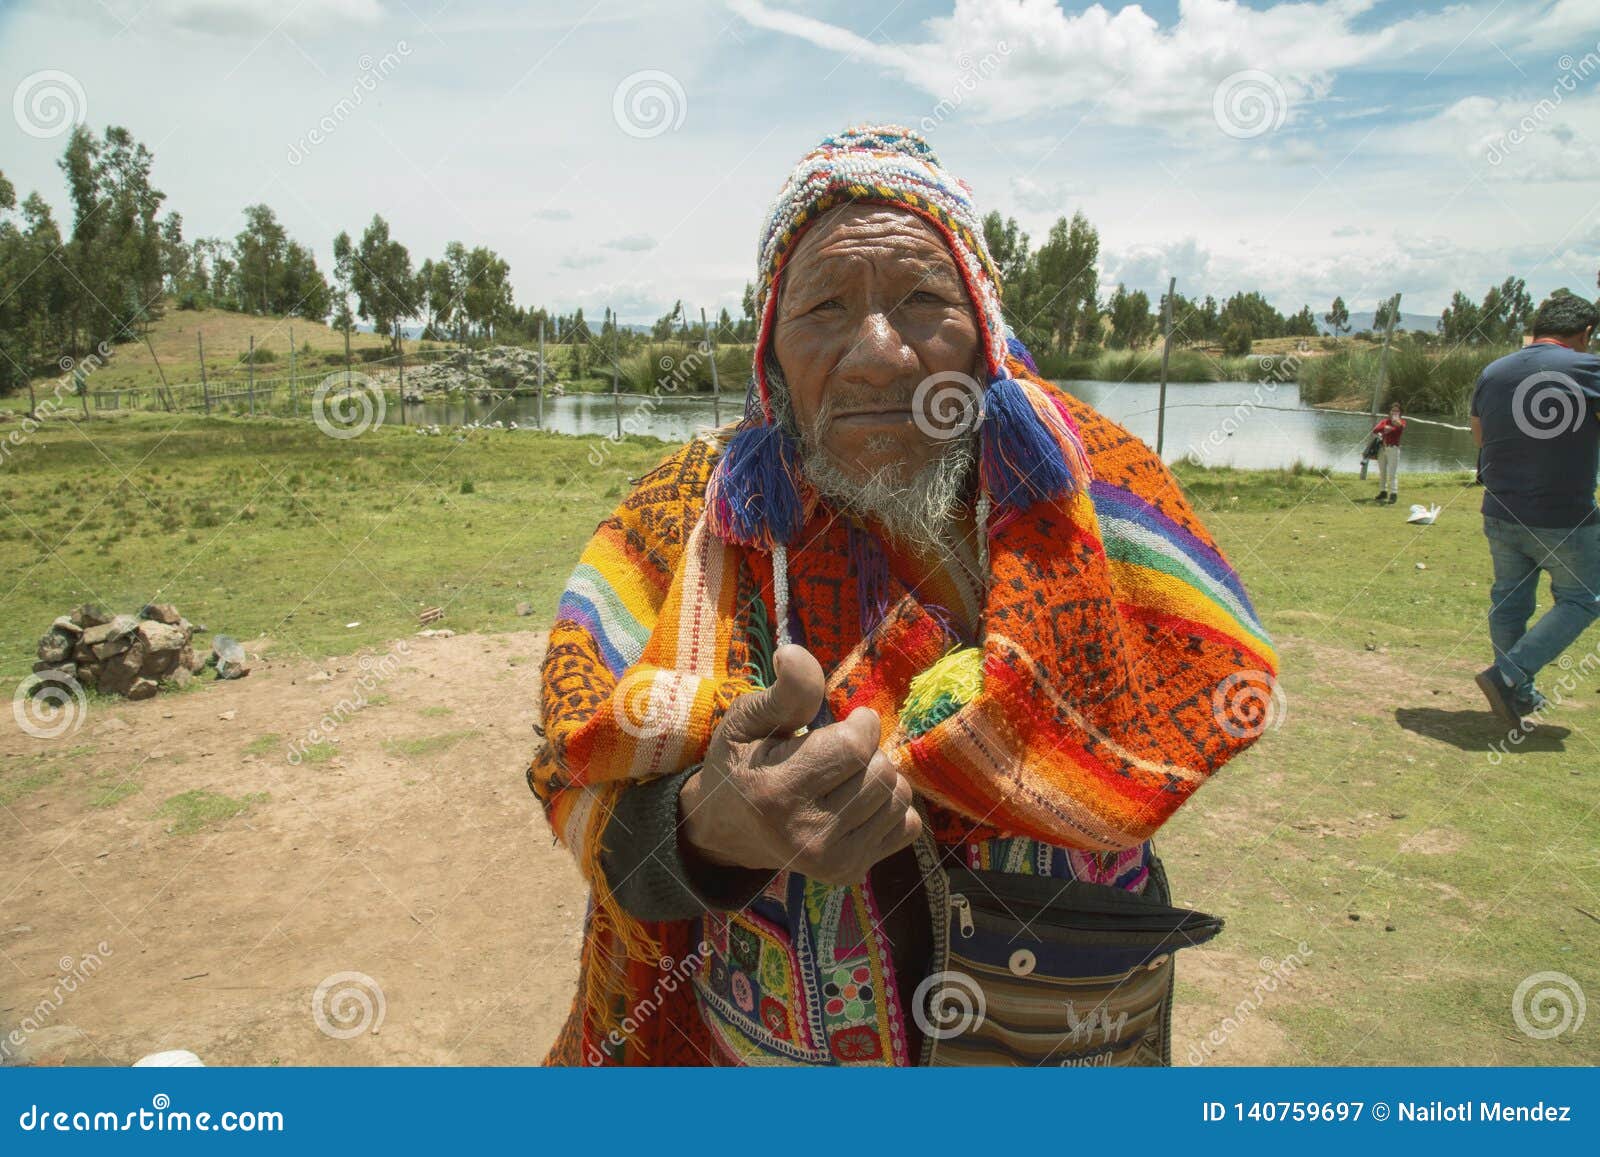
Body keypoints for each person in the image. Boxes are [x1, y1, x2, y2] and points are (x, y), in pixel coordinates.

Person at [530, 126, 1277, 1067]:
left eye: (923, 298)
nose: (878, 355)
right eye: (824, 307)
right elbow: (578, 782)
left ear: (985, 327)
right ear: (771, 349)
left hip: (1067, 1033)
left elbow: (1198, 689)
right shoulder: (686, 519)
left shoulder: (1097, 490)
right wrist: (710, 824)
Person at [1470, 292, 1600, 724]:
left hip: (1501, 510)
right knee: (1584, 598)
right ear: (1584, 333)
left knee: (1509, 601)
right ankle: (1508, 676)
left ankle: (1517, 693)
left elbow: (1479, 437)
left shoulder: (1494, 371)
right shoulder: (1587, 368)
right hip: (1563, 515)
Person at [1372, 403, 1405, 504]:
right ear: (1390, 412)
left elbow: (1399, 428)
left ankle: (1393, 494)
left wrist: (1393, 426)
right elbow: (1375, 430)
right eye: (1393, 411)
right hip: (1383, 449)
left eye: (1397, 411)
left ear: (1400, 413)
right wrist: (1384, 428)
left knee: (1392, 473)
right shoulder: (1385, 421)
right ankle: (1383, 491)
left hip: (1393, 449)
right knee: (1382, 472)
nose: (1394, 413)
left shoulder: (1402, 422)